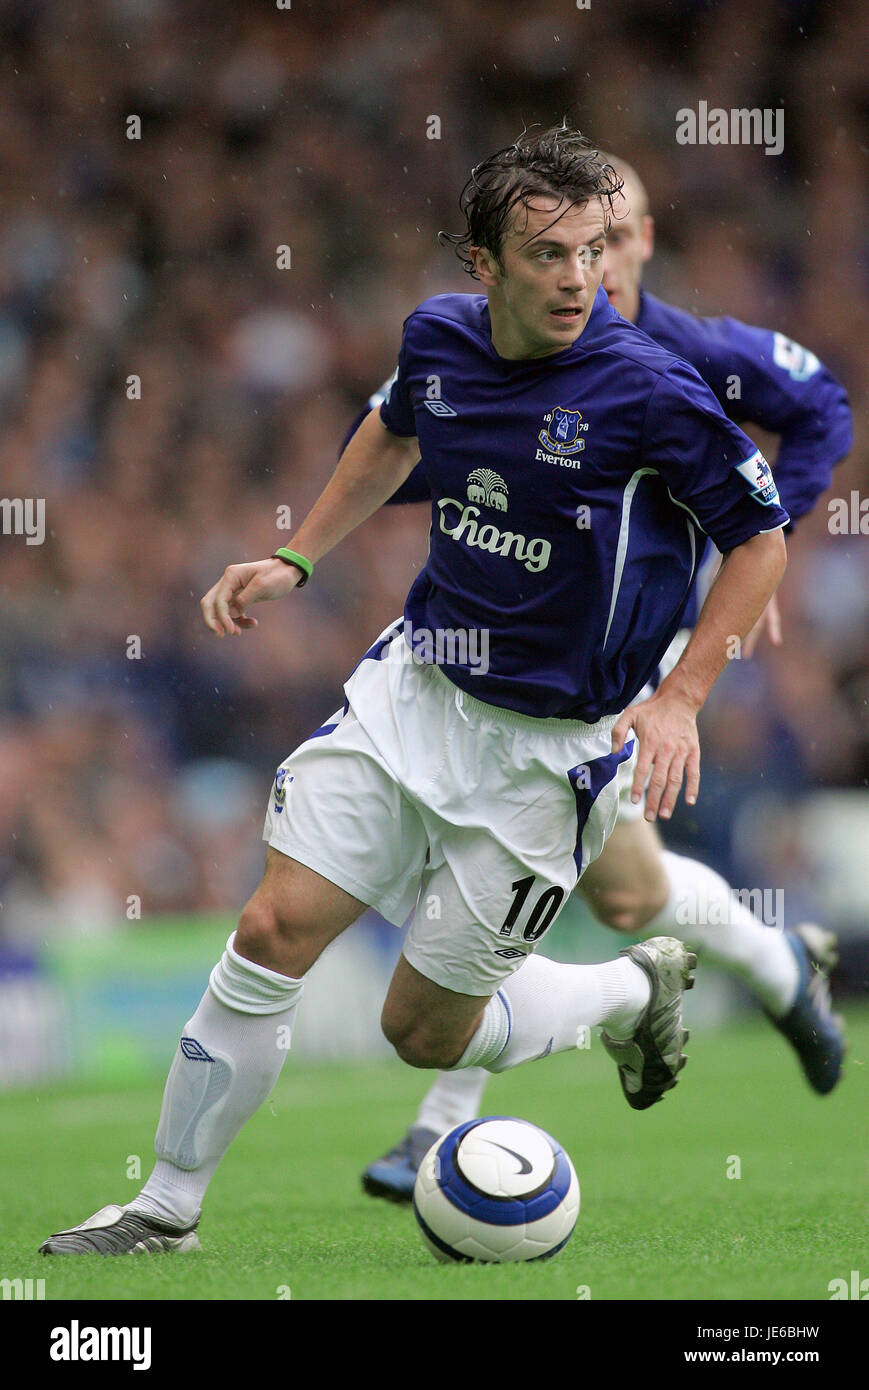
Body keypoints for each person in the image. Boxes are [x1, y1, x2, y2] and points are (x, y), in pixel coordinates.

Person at [40, 126, 789, 1256]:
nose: (577, 277)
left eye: (590, 250)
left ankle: (627, 995)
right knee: (268, 927)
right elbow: (393, 434)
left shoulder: (646, 391)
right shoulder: (437, 338)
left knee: (422, 1034)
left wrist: (680, 695)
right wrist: (296, 556)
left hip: (548, 754)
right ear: (481, 265)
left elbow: (762, 537)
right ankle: (166, 1208)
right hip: (417, 691)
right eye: (545, 253)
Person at [360, 152, 852, 1202]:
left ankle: (437, 1120)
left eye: (613, 241)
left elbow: (819, 402)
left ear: (644, 242)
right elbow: (425, 439)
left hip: (634, 658)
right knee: (626, 891)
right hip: (530, 644)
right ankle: (780, 971)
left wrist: (769, 554)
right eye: (572, 247)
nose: (596, 265)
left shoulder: (683, 355)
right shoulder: (501, 340)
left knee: (544, 864)